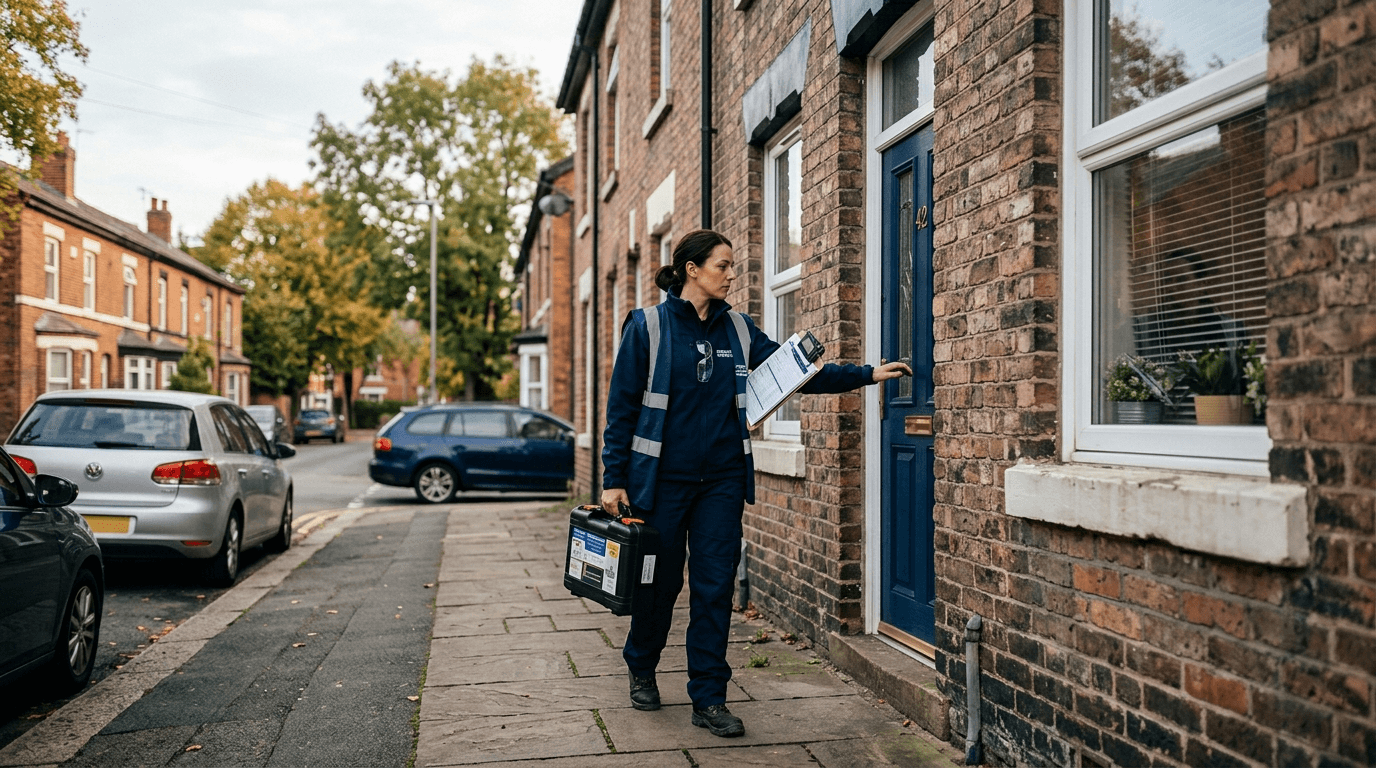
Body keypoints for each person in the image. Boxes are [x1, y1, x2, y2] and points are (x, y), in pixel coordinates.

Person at [600, 229, 910, 737]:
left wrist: (867, 374)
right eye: (722, 266)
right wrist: (614, 479)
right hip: (661, 484)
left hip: (720, 482)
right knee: (659, 585)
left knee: (714, 587)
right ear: (691, 269)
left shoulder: (740, 331)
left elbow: (798, 374)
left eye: (733, 267)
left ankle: (709, 697)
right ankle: (642, 665)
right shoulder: (648, 328)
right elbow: (621, 411)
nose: (731, 275)